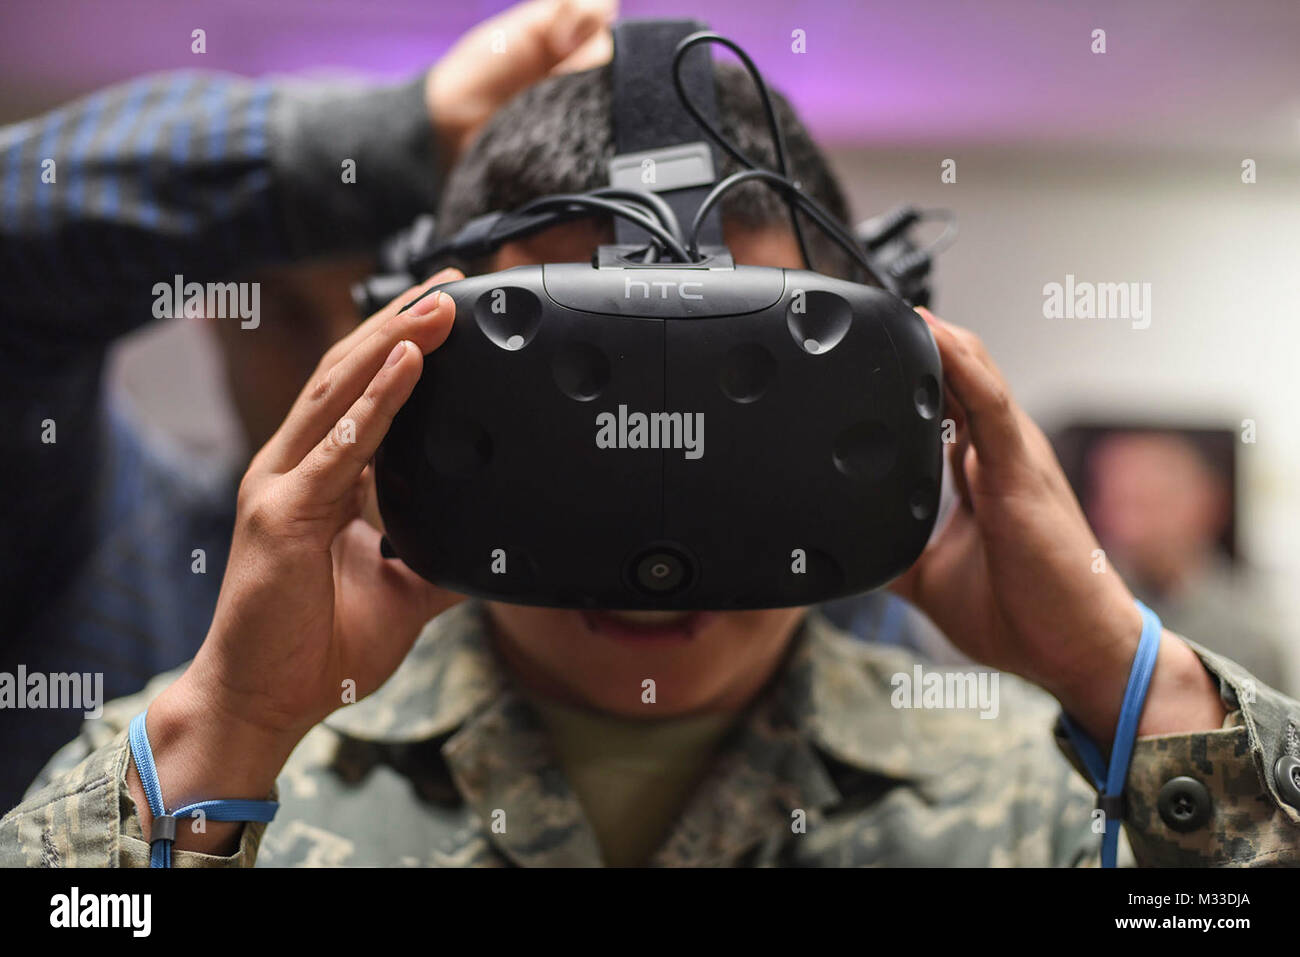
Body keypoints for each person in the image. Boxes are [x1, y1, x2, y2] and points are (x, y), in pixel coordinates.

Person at [5, 30, 1300, 869]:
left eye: (739, 395)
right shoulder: (207, 780)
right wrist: (229, 729)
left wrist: (1124, 677)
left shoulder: (1037, 808)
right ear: (415, 376)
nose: (653, 513)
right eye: (577, 394)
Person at [0, 0, 617, 810]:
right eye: (287, 313)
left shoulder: (560, 564)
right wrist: (401, 138)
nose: (341, 356)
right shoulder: (92, 531)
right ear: (211, 311)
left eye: (373, 306)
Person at [1084, 430, 1291, 693]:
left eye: (1148, 503)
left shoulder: (1254, 635)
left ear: (1208, 503)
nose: (1128, 527)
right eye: (1116, 503)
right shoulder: (1088, 612)